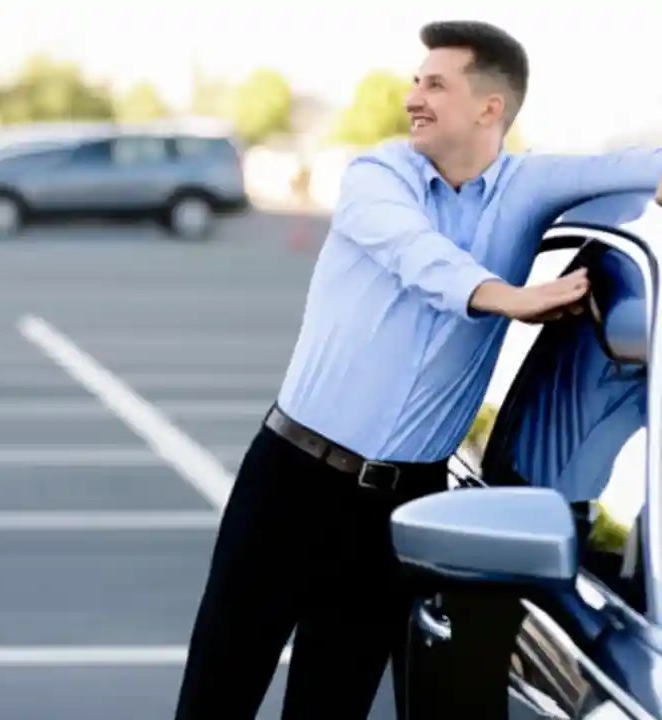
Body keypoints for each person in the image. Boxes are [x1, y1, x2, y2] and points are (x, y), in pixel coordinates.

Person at [172, 19, 662, 720]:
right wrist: (510, 300)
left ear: (490, 107)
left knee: (330, 704)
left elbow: (647, 165)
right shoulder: (379, 175)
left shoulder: (535, 185)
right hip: (292, 476)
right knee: (216, 694)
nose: (413, 98)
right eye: (416, 81)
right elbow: (415, 255)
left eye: (434, 83)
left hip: (401, 506)